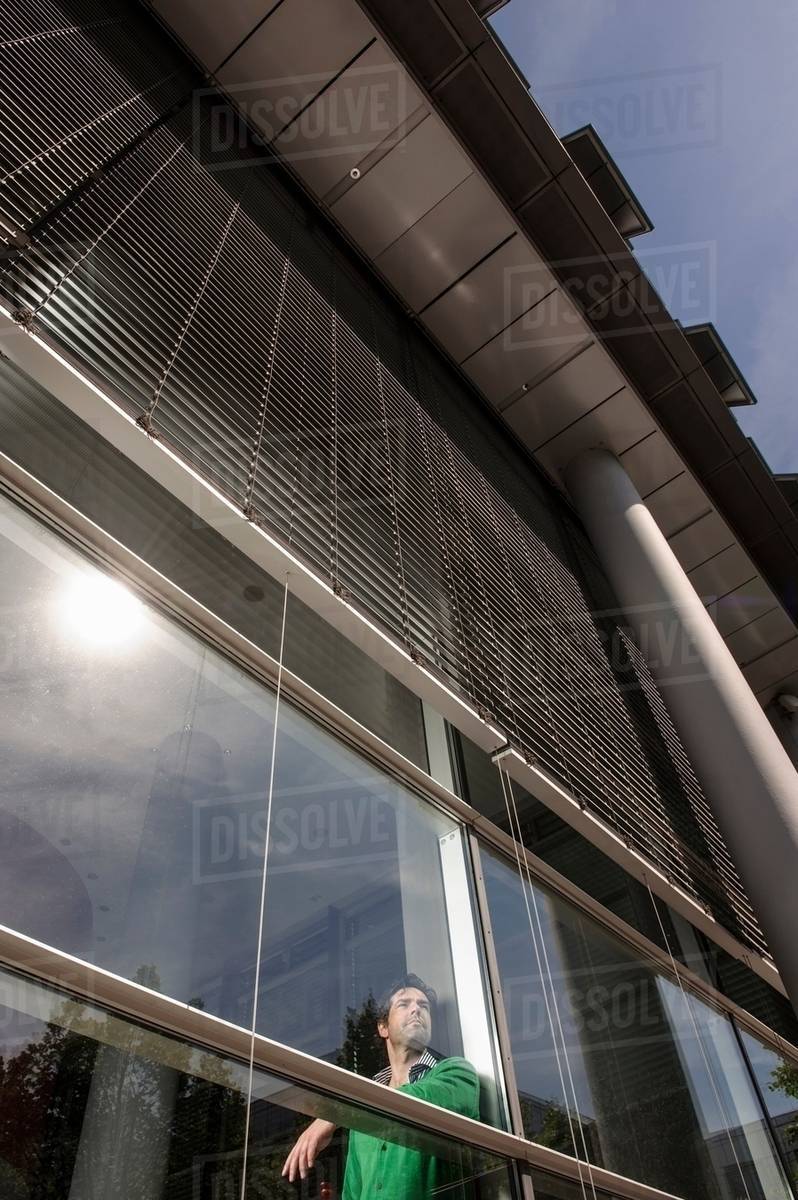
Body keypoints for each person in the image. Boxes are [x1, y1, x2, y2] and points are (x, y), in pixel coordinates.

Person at [281, 973, 479, 1199]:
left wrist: (335, 1112)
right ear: (383, 1027)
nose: (416, 1009)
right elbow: (352, 1193)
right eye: (404, 1004)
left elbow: (412, 1103)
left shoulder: (456, 1073)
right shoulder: (360, 1116)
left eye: (423, 1006)